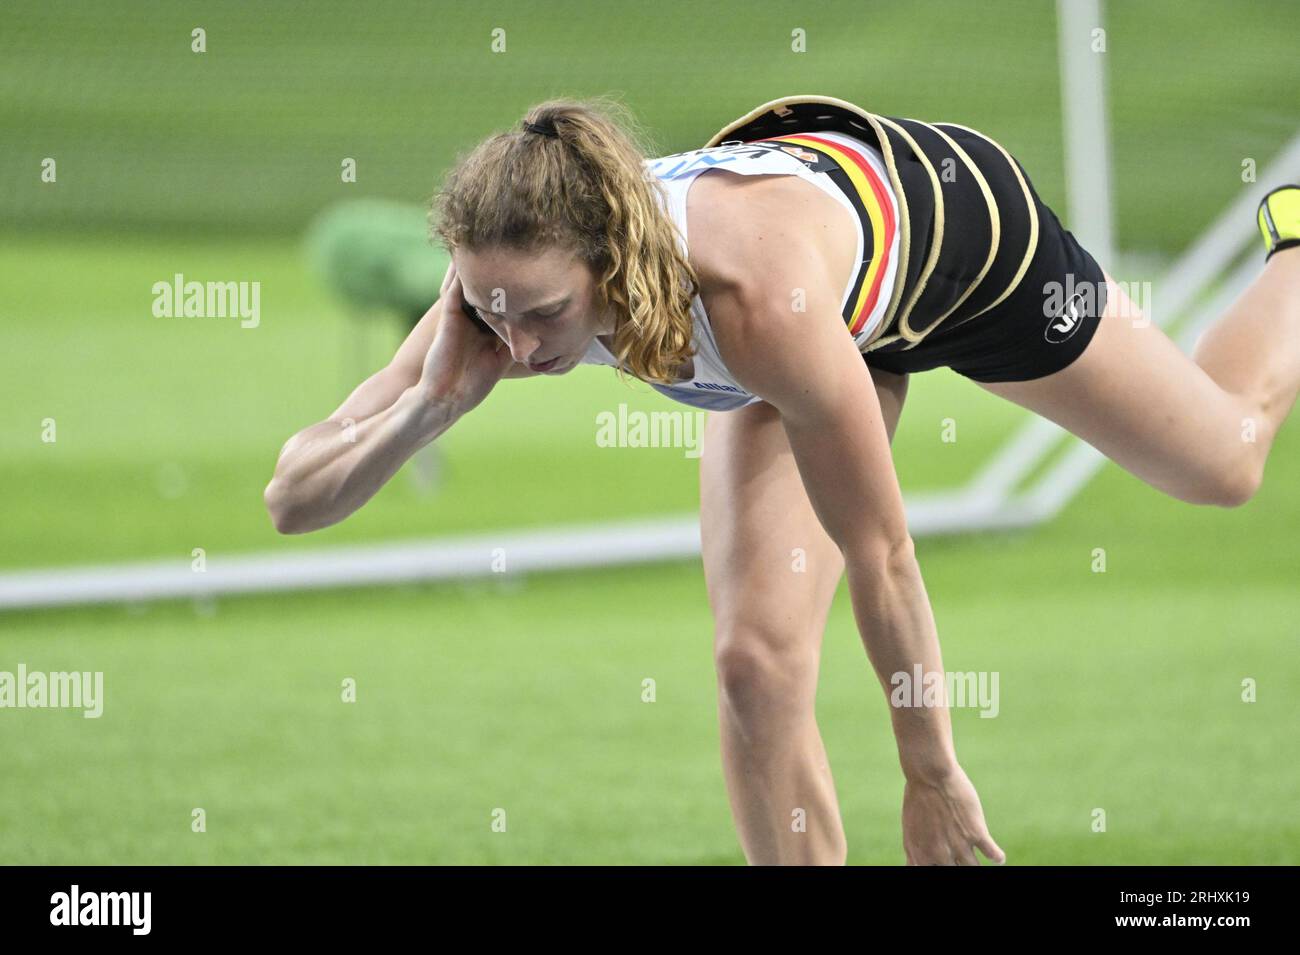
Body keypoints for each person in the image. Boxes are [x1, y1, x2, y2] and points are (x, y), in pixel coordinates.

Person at [264, 93, 1300, 865]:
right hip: (811, 294)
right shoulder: (492, 291)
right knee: (754, 664)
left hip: (959, 248)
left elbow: (881, 555)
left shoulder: (752, 302)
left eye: (543, 316)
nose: (519, 344)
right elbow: (294, 500)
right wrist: (428, 406)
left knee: (1223, 459)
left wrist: (929, 770)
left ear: (612, 261)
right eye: (494, 312)